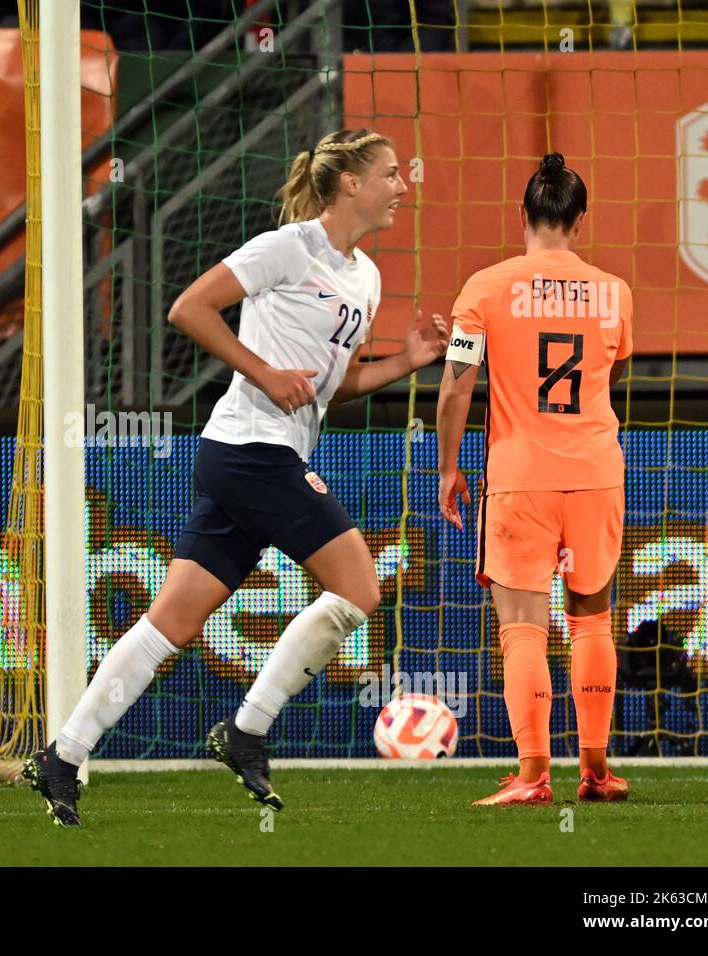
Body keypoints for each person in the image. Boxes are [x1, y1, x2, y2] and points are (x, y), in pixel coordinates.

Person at [26, 128, 449, 826]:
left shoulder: (365, 278)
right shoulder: (288, 246)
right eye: (391, 174)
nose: (403, 185)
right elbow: (188, 308)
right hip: (251, 451)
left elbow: (326, 388)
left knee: (173, 622)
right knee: (359, 587)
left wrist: (404, 363)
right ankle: (248, 729)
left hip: (254, 454)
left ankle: (63, 756)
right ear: (349, 183)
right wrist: (261, 371)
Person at [435, 152, 633, 806]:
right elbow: (612, 372)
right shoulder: (615, 292)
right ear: (580, 223)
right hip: (598, 472)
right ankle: (598, 772)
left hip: (521, 475)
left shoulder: (485, 288)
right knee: (592, 620)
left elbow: (454, 389)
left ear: (523, 216)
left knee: (523, 625)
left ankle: (533, 776)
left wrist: (448, 466)